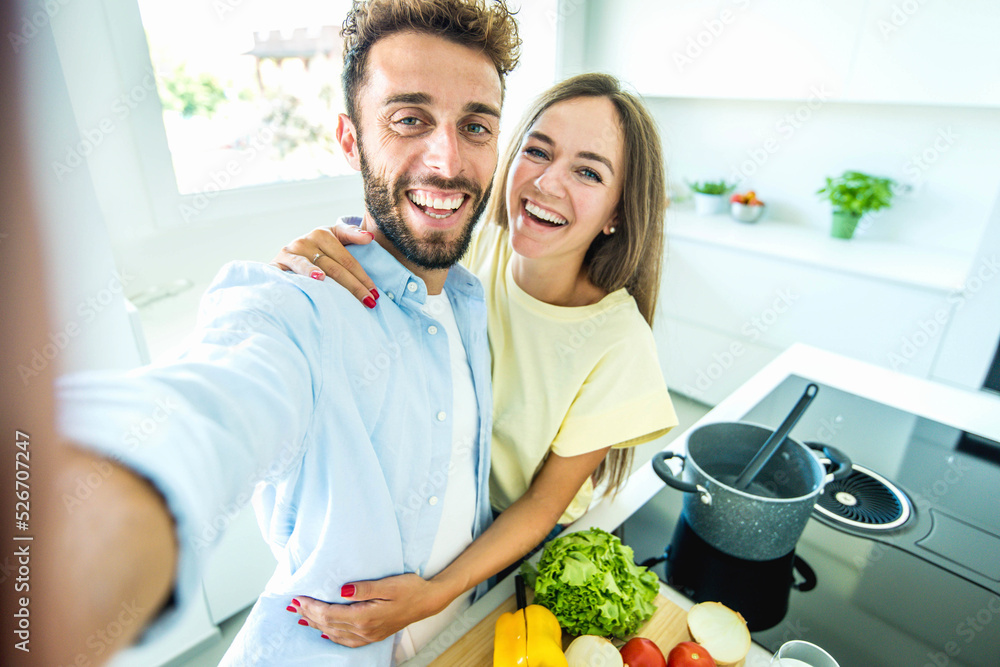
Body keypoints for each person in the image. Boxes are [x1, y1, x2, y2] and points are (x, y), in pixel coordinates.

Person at [54, 1, 521, 665]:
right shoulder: (299, 306)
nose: (447, 159)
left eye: (475, 126)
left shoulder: (472, 300)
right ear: (351, 138)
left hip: (460, 637)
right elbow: (216, 397)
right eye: (409, 119)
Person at [272, 72, 679, 647]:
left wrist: (432, 593)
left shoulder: (619, 345)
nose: (547, 182)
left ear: (617, 211)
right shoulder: (470, 250)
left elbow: (541, 505)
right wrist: (317, 255)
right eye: (537, 151)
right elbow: (383, 249)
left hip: (513, 536)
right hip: (445, 500)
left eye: (588, 172)